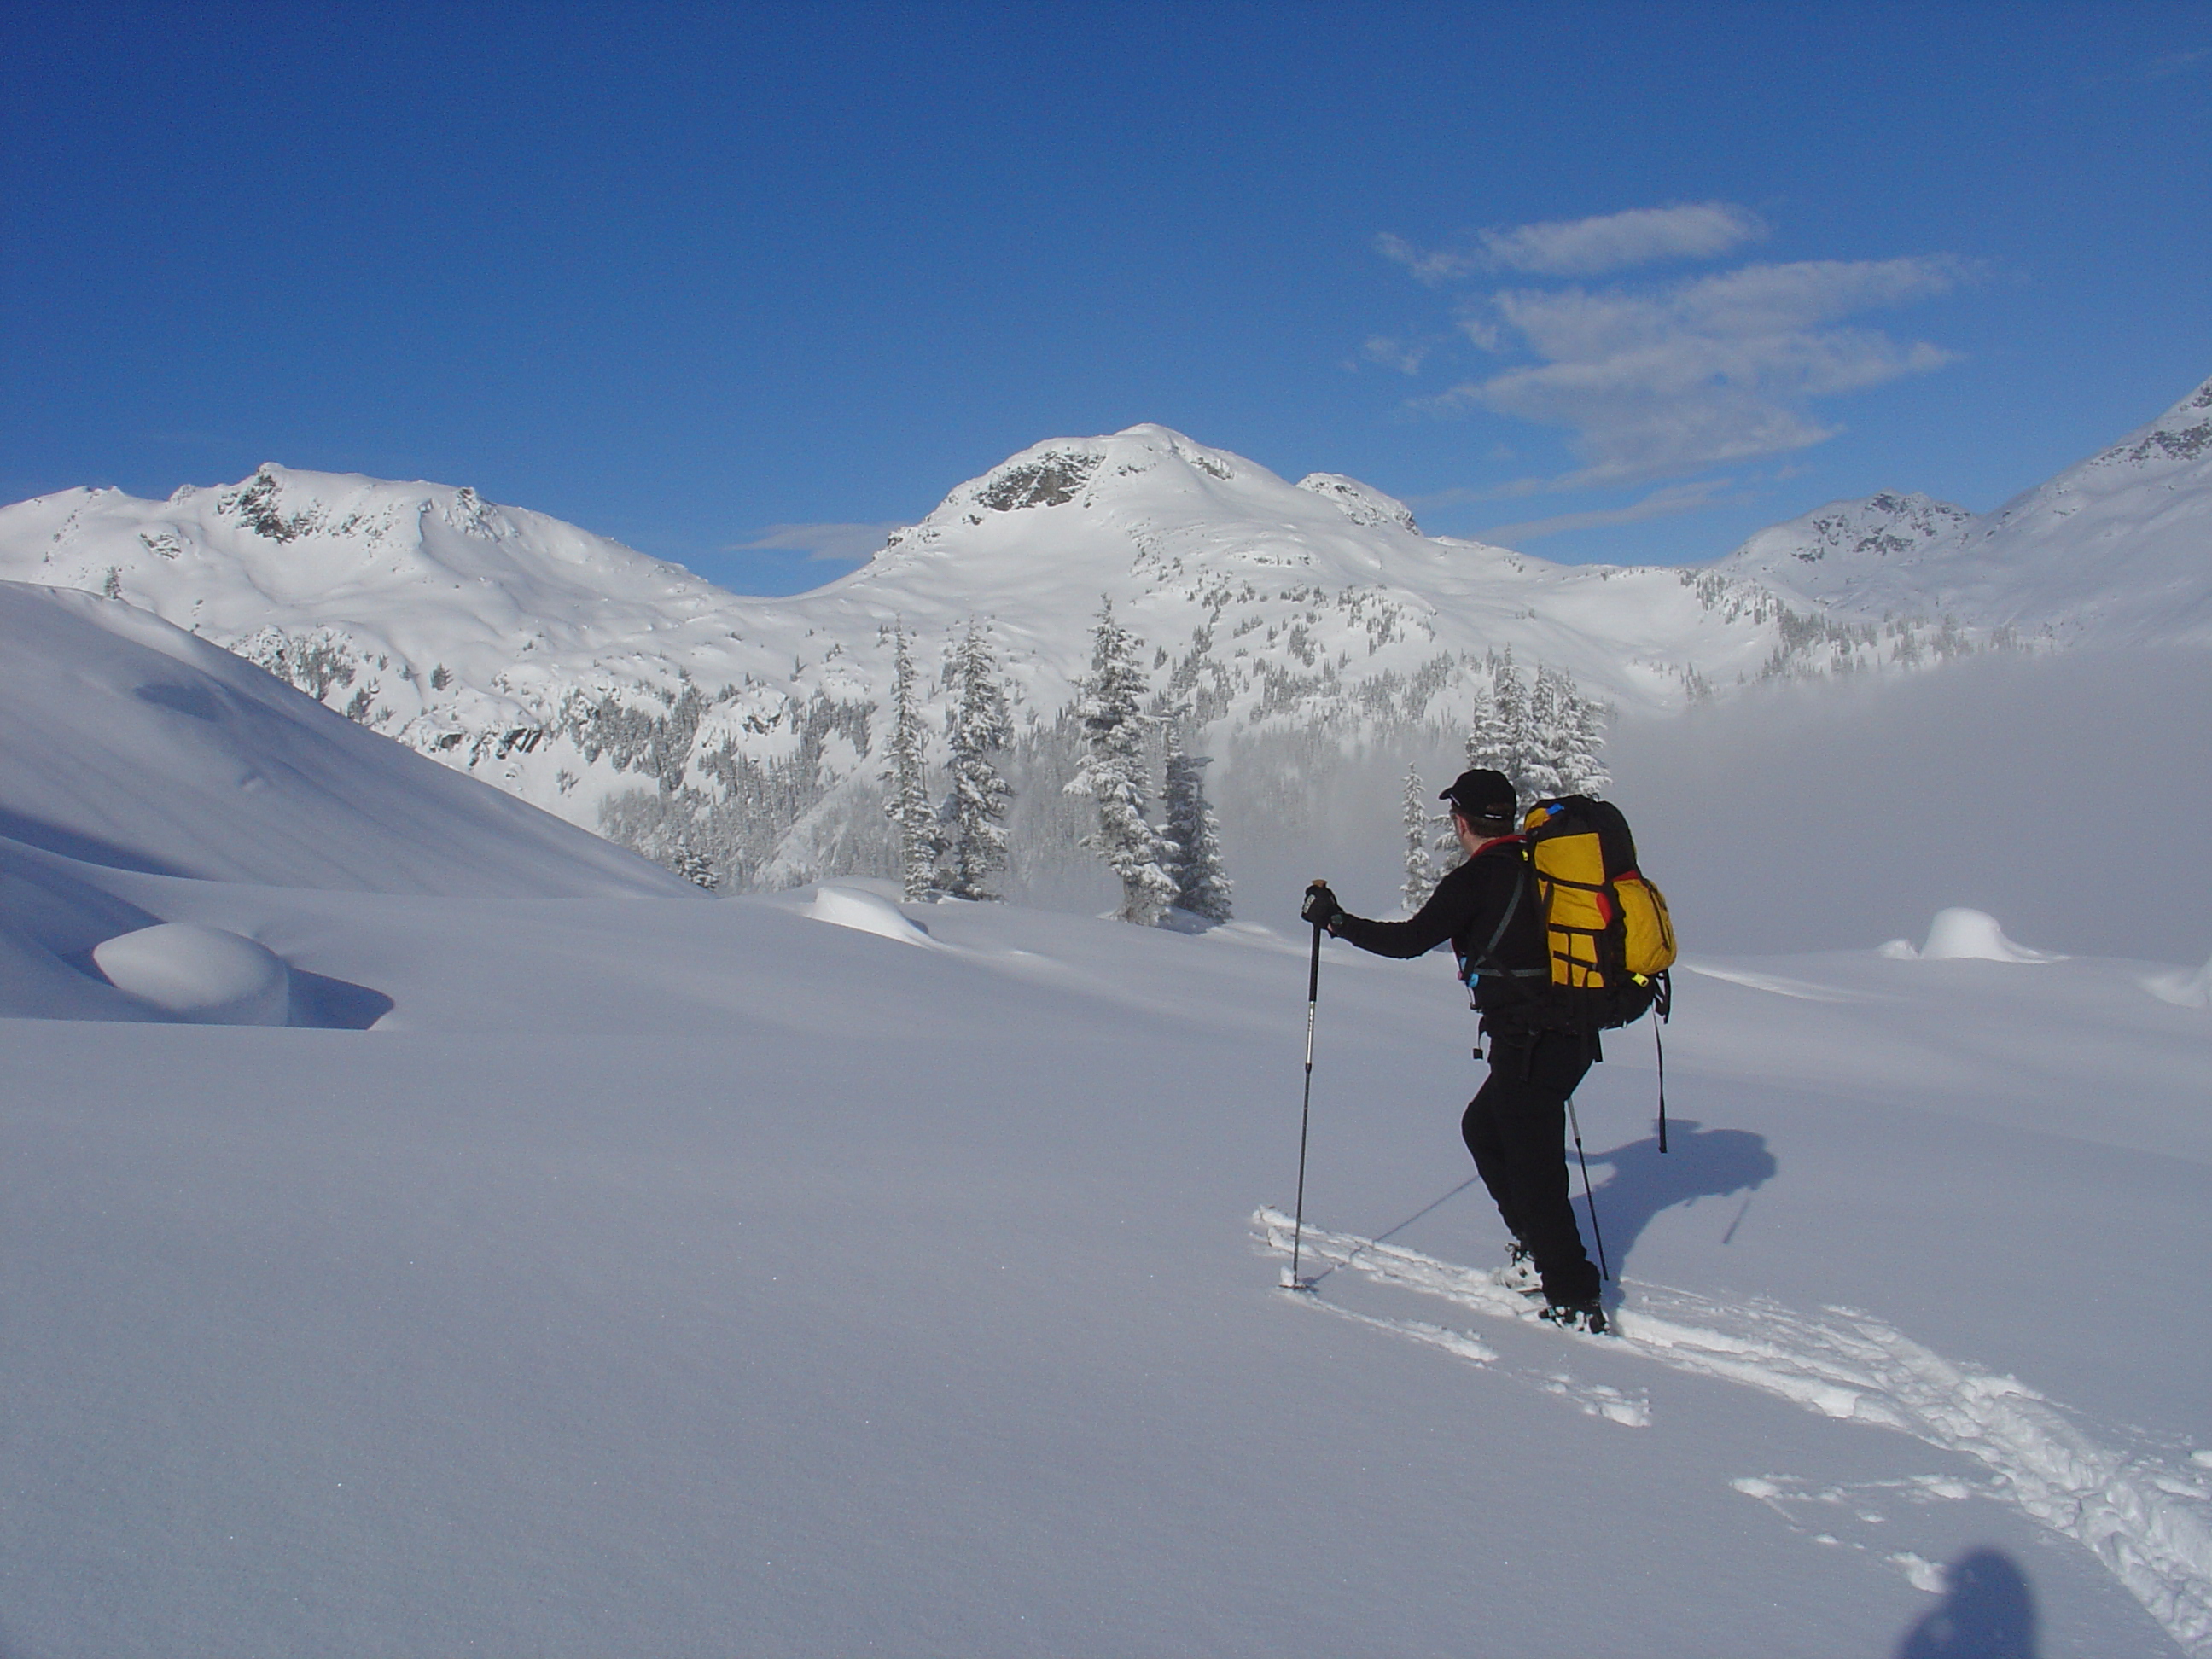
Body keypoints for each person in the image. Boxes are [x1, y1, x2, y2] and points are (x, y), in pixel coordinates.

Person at [1299, 767, 1608, 1334]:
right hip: (1569, 1037)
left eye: (1455, 815)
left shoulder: (1477, 879)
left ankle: (1574, 1296)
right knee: (1485, 1129)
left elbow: (1410, 941)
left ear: (1462, 821)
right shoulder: (1538, 865)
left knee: (1535, 1169)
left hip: (1531, 1041)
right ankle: (1539, 1252)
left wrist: (1336, 920)